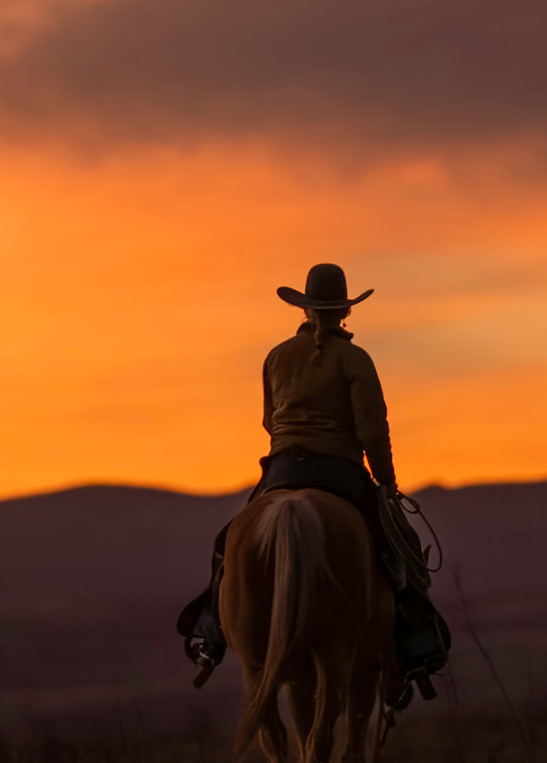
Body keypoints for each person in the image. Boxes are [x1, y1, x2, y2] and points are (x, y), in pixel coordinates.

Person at [177, 263, 451, 705]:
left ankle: (212, 635)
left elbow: (269, 421)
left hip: (281, 470)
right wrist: (386, 482)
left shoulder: (276, 356)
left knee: (228, 548)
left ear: (305, 308)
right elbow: (372, 431)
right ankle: (418, 647)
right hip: (339, 471)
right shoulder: (356, 360)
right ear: (344, 311)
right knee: (401, 555)